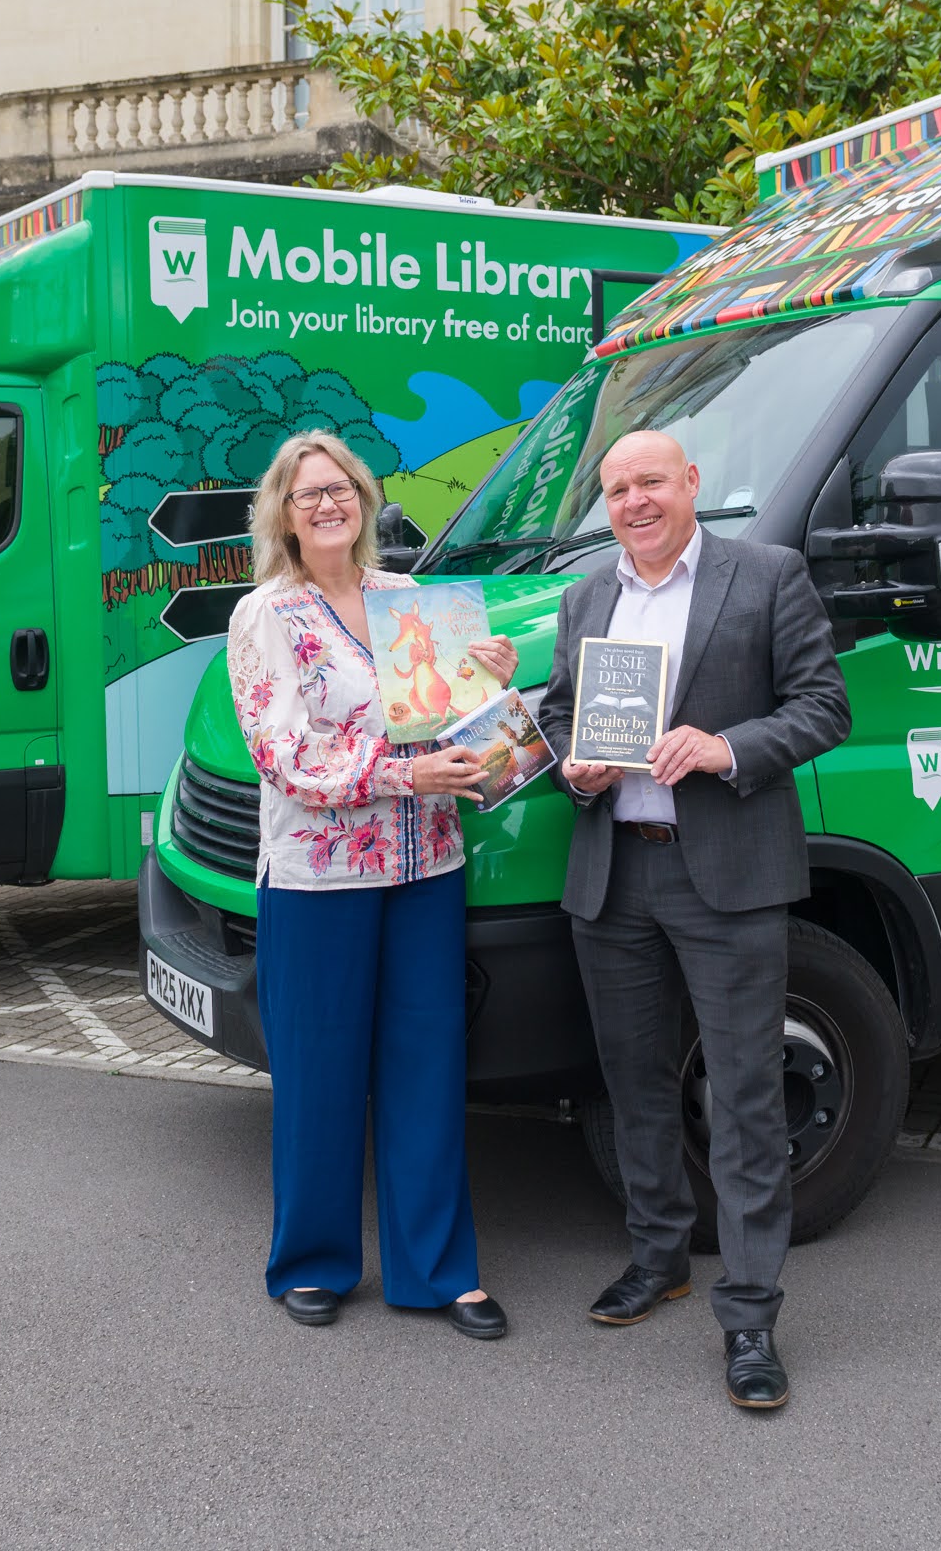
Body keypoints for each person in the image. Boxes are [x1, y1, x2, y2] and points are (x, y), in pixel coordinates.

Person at [535, 429, 851, 1411]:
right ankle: (659, 1254)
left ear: (692, 485)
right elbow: (555, 712)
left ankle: (750, 1312)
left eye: (652, 482)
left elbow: (824, 706)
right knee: (632, 1086)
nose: (635, 501)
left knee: (747, 1100)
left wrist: (723, 746)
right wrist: (570, 763)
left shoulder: (767, 574)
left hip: (728, 877)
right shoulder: (588, 593)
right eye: (618, 488)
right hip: (615, 875)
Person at [223, 430, 516, 1340]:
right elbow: (281, 754)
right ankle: (312, 1261)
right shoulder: (266, 615)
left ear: (364, 499)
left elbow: (456, 725)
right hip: (318, 881)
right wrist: (403, 774)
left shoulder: (408, 598)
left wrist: (490, 691)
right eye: (307, 494)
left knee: (427, 1071)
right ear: (283, 512)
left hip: (427, 864)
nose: (326, 504)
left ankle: (437, 1272)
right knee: (319, 1073)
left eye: (340, 488)